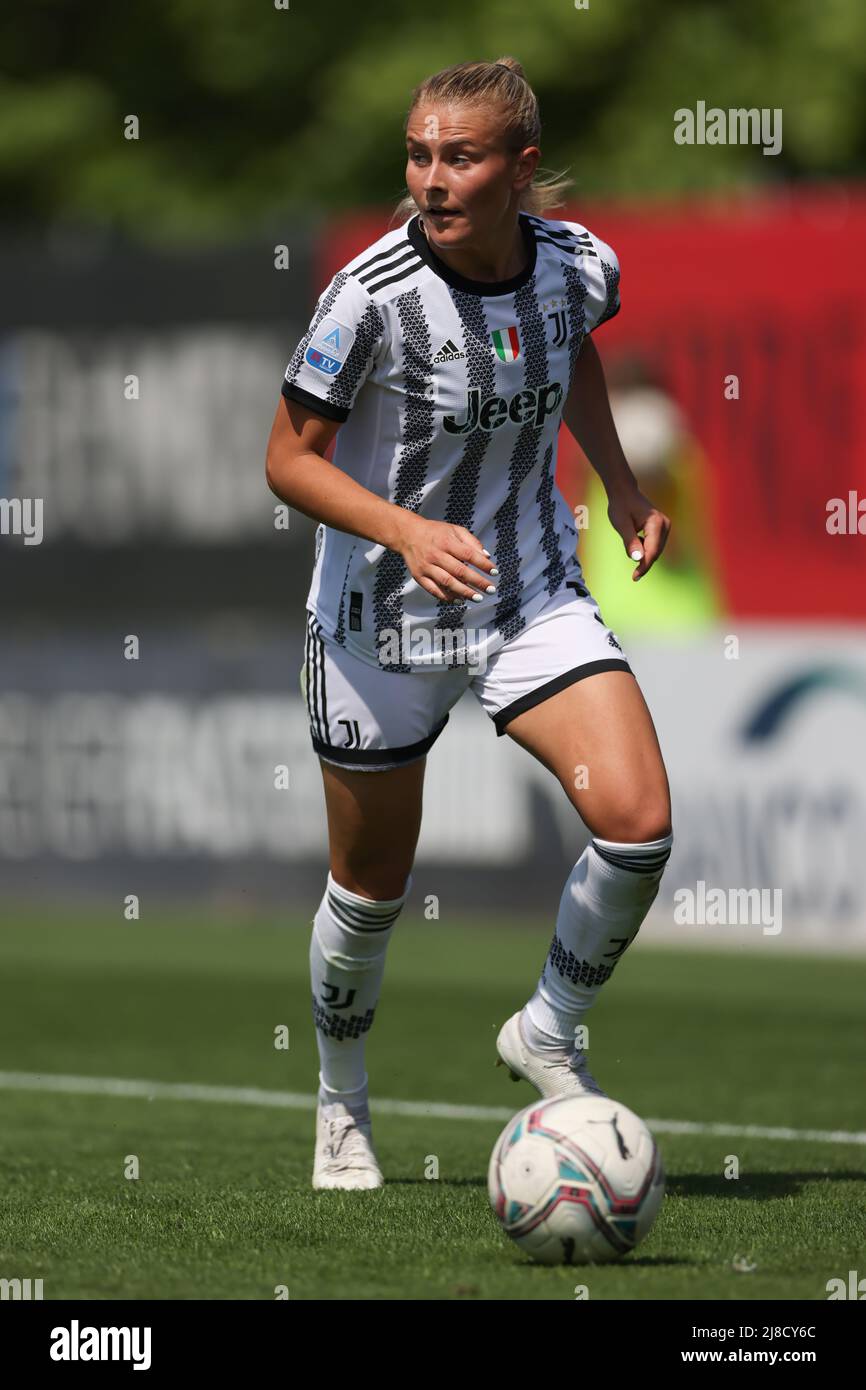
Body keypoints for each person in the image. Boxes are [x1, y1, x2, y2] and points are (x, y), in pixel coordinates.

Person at [266, 57, 673, 1191]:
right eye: (417, 155)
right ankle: (341, 1104)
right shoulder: (368, 294)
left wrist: (622, 486)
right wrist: (402, 531)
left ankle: (547, 1025)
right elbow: (284, 460)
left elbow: (571, 352)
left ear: (519, 169)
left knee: (636, 824)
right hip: (378, 619)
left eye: (459, 157)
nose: (430, 180)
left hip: (526, 588)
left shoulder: (580, 264)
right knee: (369, 890)